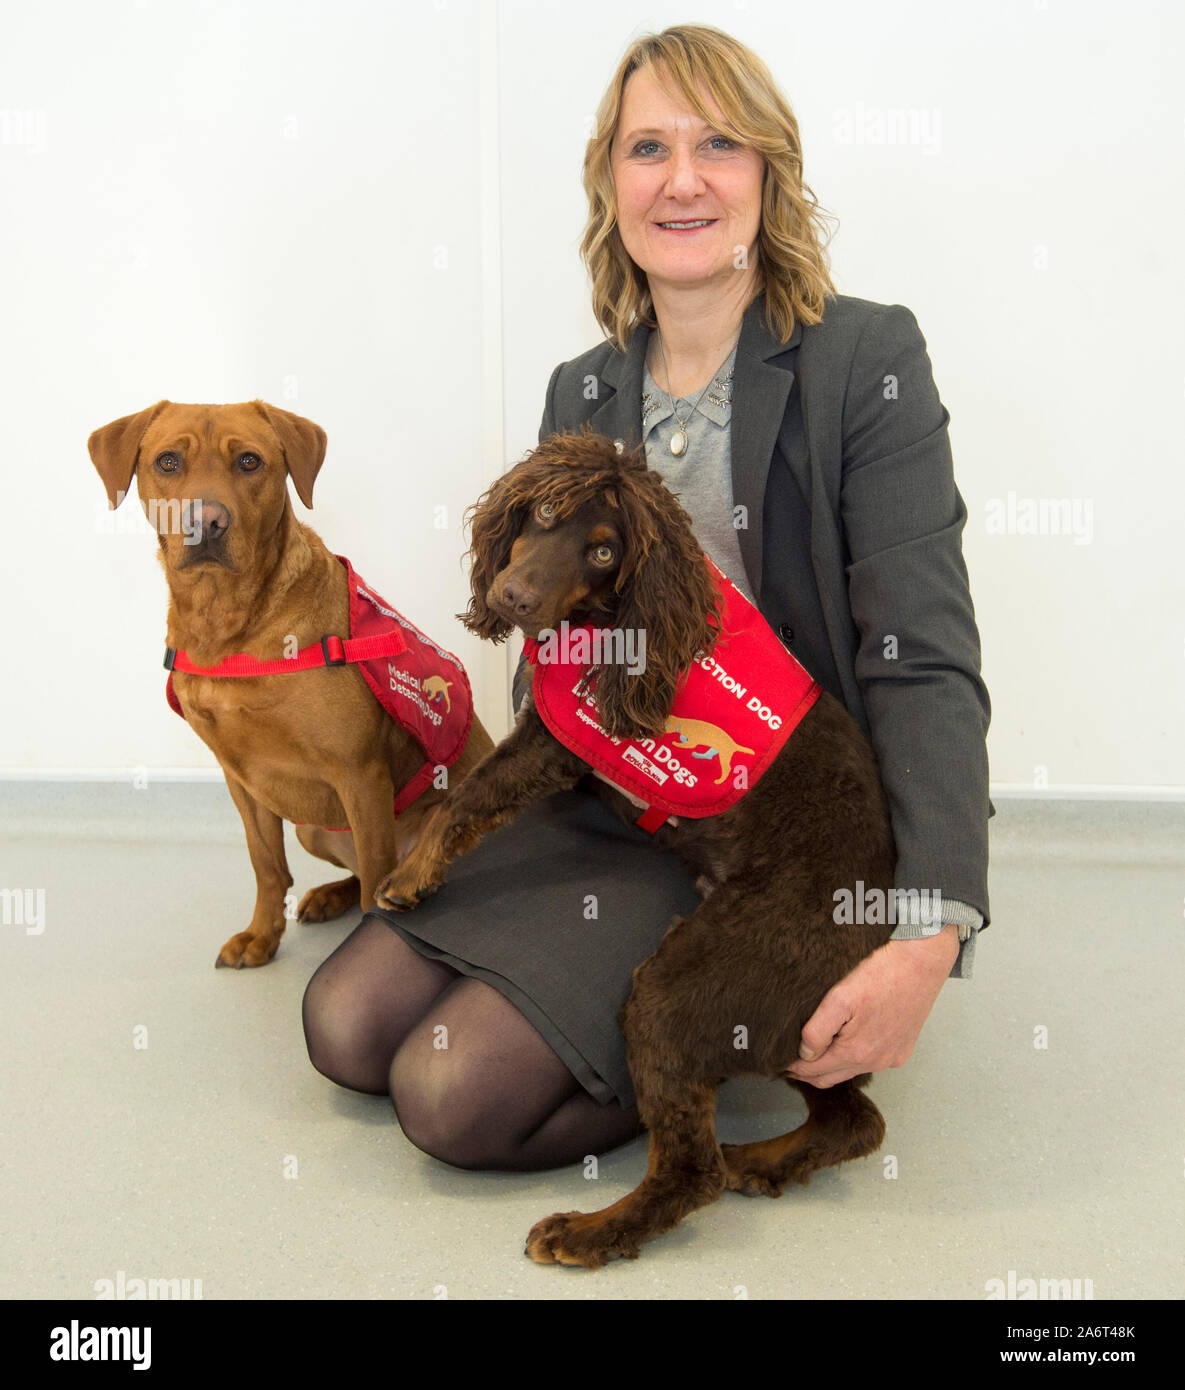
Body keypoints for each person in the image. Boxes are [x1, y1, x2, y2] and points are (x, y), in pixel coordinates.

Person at [301, 23, 991, 1168]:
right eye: (647, 147)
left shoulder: (865, 358)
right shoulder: (585, 386)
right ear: (609, 184)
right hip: (616, 792)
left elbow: (921, 657)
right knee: (345, 1025)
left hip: (776, 831)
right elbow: (551, 659)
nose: (681, 178)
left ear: (769, 173)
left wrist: (924, 932)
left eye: (718, 143)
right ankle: (624, 1001)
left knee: (449, 1092)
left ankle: (696, 1051)